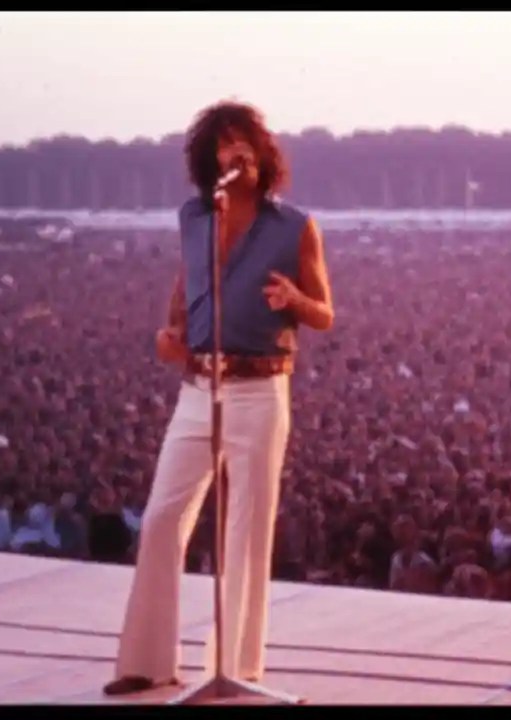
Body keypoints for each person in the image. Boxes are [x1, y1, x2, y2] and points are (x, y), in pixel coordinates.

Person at [103, 101, 335, 696]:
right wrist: (170, 331)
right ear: (210, 160)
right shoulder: (195, 217)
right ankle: (147, 661)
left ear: (262, 152)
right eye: (224, 146)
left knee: (247, 530)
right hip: (198, 388)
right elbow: (188, 285)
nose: (236, 154)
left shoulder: (295, 226)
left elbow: (326, 313)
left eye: (244, 143)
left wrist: (294, 300)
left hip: (261, 388)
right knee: (160, 519)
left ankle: (234, 670)